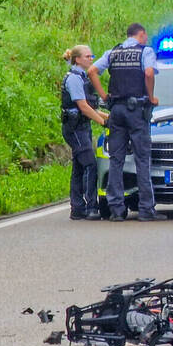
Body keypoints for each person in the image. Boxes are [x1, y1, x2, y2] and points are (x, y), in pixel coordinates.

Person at [87, 22, 167, 222]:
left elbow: (92, 72)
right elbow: (149, 73)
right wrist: (151, 96)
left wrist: (104, 96)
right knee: (142, 159)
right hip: (136, 110)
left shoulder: (113, 52)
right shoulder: (145, 51)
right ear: (141, 34)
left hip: (116, 110)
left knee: (116, 159)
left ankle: (116, 210)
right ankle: (146, 209)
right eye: (145, 36)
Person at [61, 45, 109, 221]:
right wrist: (103, 122)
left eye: (92, 55)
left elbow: (92, 107)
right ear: (78, 59)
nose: (91, 59)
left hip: (82, 126)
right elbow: (82, 106)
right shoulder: (74, 79)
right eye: (88, 56)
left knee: (79, 167)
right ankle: (91, 207)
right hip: (75, 129)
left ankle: (77, 208)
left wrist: (110, 118)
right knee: (90, 164)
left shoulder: (82, 78)